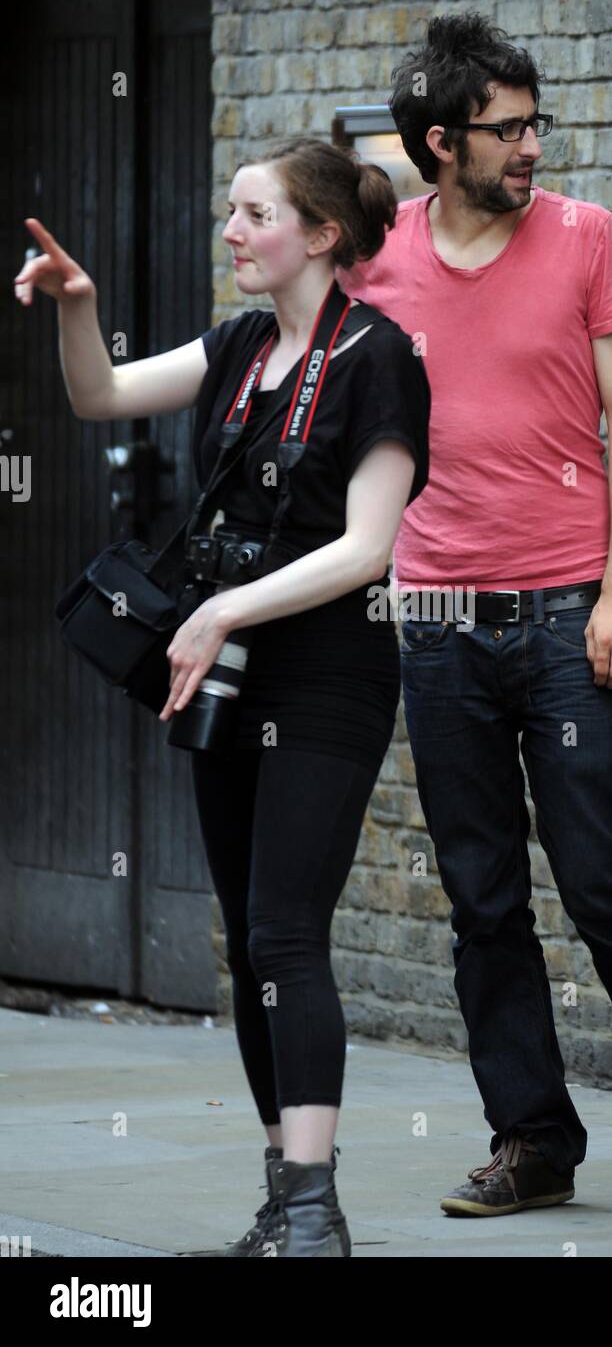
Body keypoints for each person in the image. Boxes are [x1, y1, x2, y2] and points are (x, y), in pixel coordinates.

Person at [336, 12, 612, 1218]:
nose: (529, 147)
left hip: (568, 612)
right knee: (481, 895)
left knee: (600, 873)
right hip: (436, 618)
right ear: (435, 142)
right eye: (502, 129)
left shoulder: (585, 238)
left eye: (533, 123)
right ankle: (532, 1139)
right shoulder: (380, 258)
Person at [14, 136, 431, 1257]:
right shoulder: (243, 345)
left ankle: (313, 1210)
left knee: (290, 932)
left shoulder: (378, 357)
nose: (232, 232)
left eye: (253, 215)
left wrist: (224, 609)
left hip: (328, 673)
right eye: (231, 213)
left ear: (322, 235)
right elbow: (99, 393)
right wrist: (77, 303)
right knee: (250, 943)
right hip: (229, 678)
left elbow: (365, 548)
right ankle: (280, 1197)